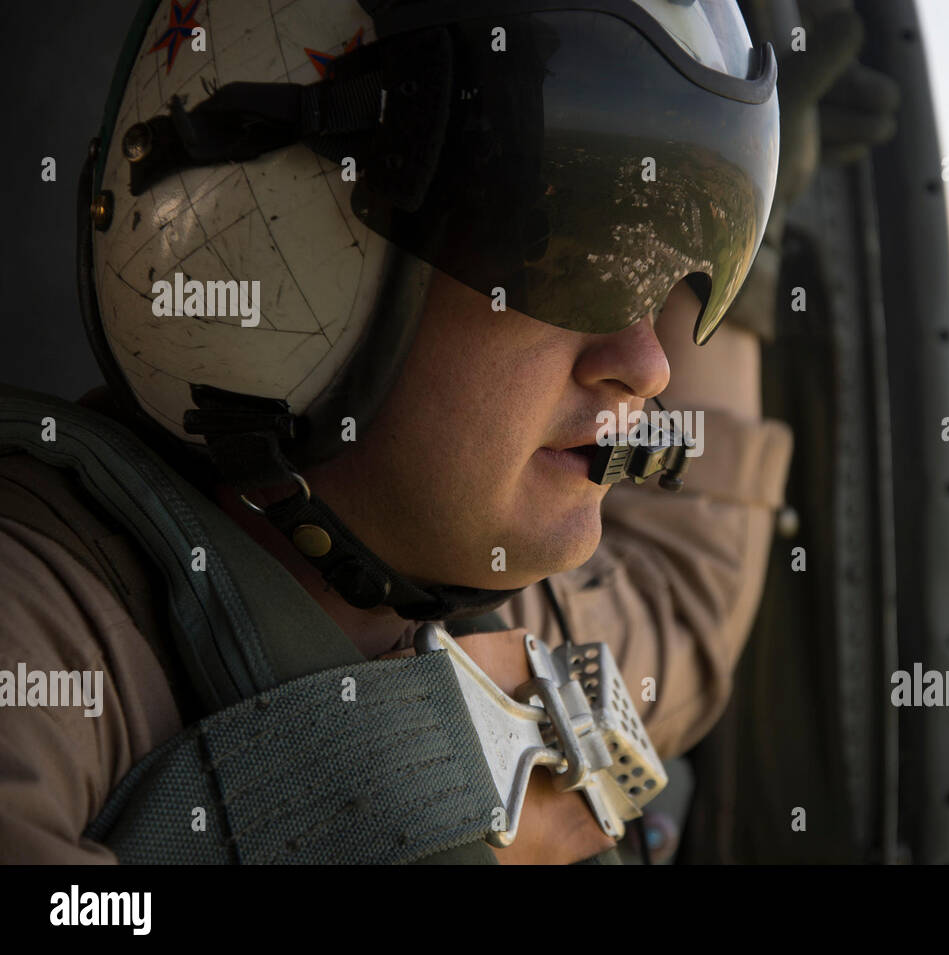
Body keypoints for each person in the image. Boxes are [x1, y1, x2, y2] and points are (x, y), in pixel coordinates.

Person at [0, 0, 791, 864]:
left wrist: (749, 281)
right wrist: (413, 805)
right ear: (290, 242)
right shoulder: (42, 631)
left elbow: (682, 599)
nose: (649, 365)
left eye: (660, 285)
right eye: (566, 265)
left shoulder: (493, 622)